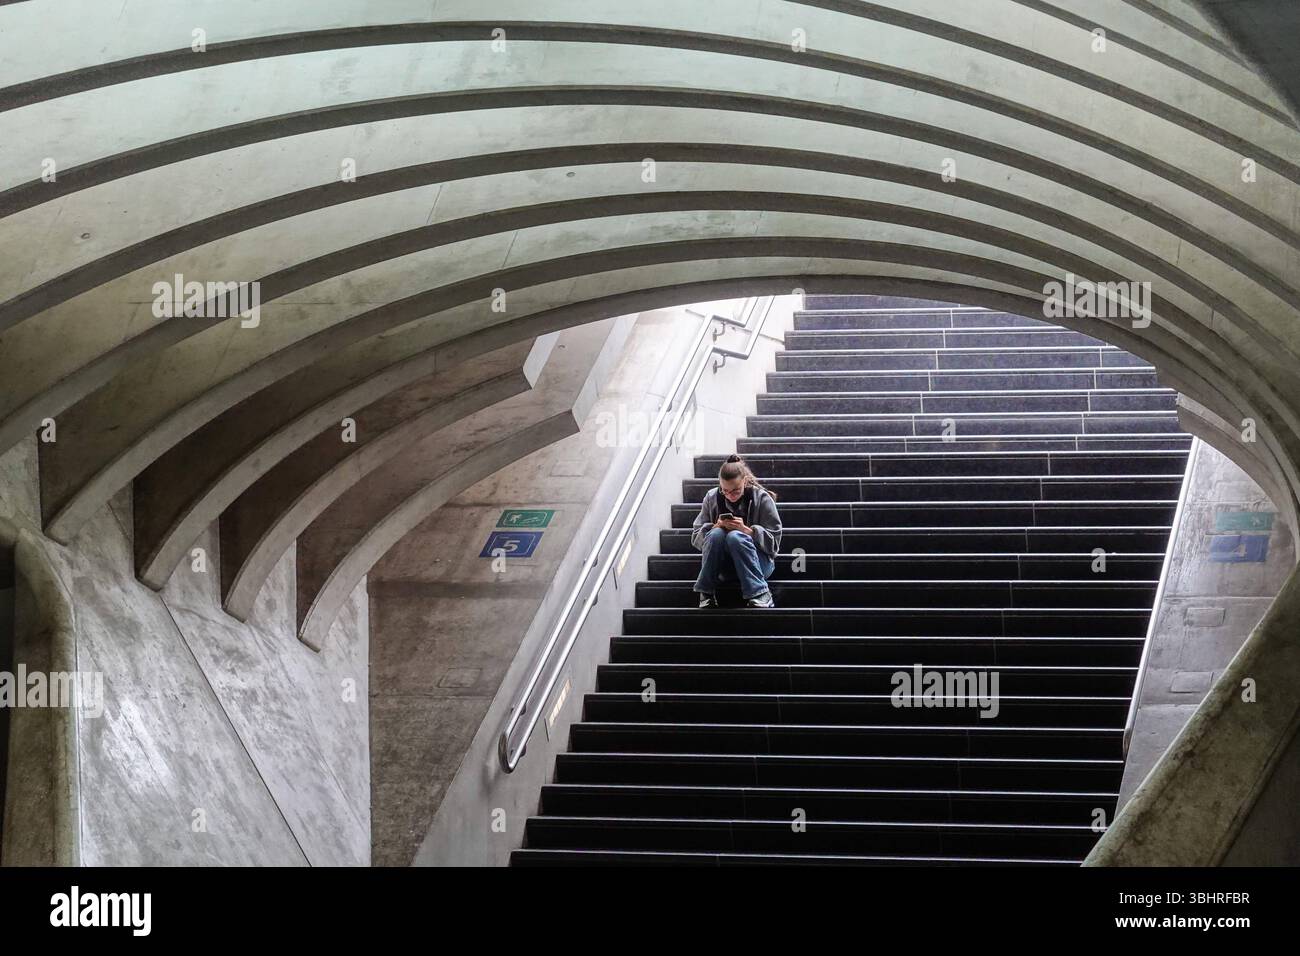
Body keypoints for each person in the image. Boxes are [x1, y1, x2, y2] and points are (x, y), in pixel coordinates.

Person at [691, 453, 783, 608]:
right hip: (723, 568)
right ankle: (706, 593)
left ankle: (760, 592)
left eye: (735, 491)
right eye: (725, 490)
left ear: (745, 482)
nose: (730, 495)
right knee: (715, 534)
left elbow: (774, 545)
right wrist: (715, 526)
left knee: (735, 537)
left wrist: (748, 531)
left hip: (759, 564)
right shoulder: (712, 497)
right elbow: (696, 538)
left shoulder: (762, 498)